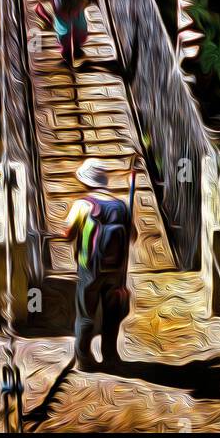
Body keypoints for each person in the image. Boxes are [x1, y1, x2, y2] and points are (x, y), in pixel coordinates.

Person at [63, 158, 134, 372]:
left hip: (90, 268)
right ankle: (111, 356)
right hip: (116, 271)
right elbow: (133, 236)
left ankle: (84, 360)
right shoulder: (121, 206)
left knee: (86, 314)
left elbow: (67, 234)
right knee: (112, 315)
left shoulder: (83, 205)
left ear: (86, 181)